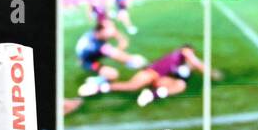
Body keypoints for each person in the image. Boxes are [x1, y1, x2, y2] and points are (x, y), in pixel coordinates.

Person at [80, 44, 220, 107]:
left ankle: (151, 95)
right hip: (151, 72)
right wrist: (210, 72)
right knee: (131, 86)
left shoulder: (184, 64)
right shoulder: (183, 53)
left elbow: (188, 70)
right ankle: (98, 87)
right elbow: (195, 62)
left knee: (180, 85)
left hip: (159, 79)